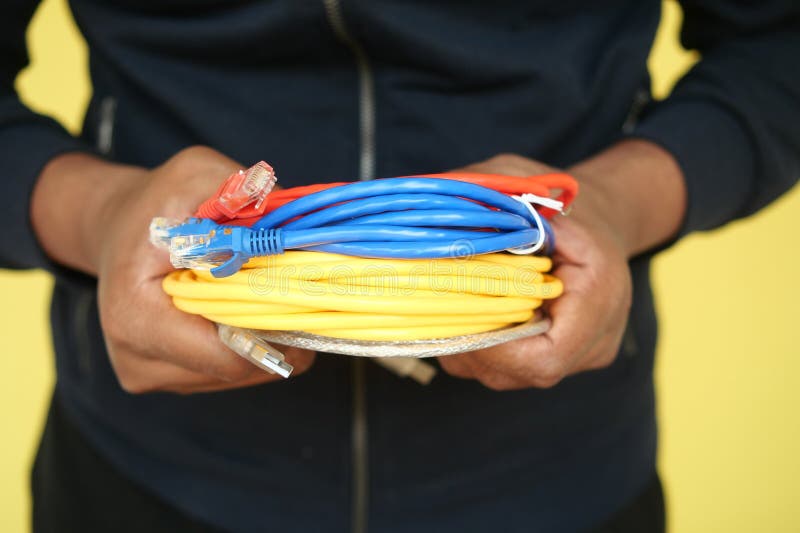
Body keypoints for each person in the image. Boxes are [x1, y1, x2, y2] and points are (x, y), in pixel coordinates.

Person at [3, 1, 798, 531]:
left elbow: (778, 41)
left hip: (558, 475)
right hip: (147, 478)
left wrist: (618, 201)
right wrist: (103, 213)